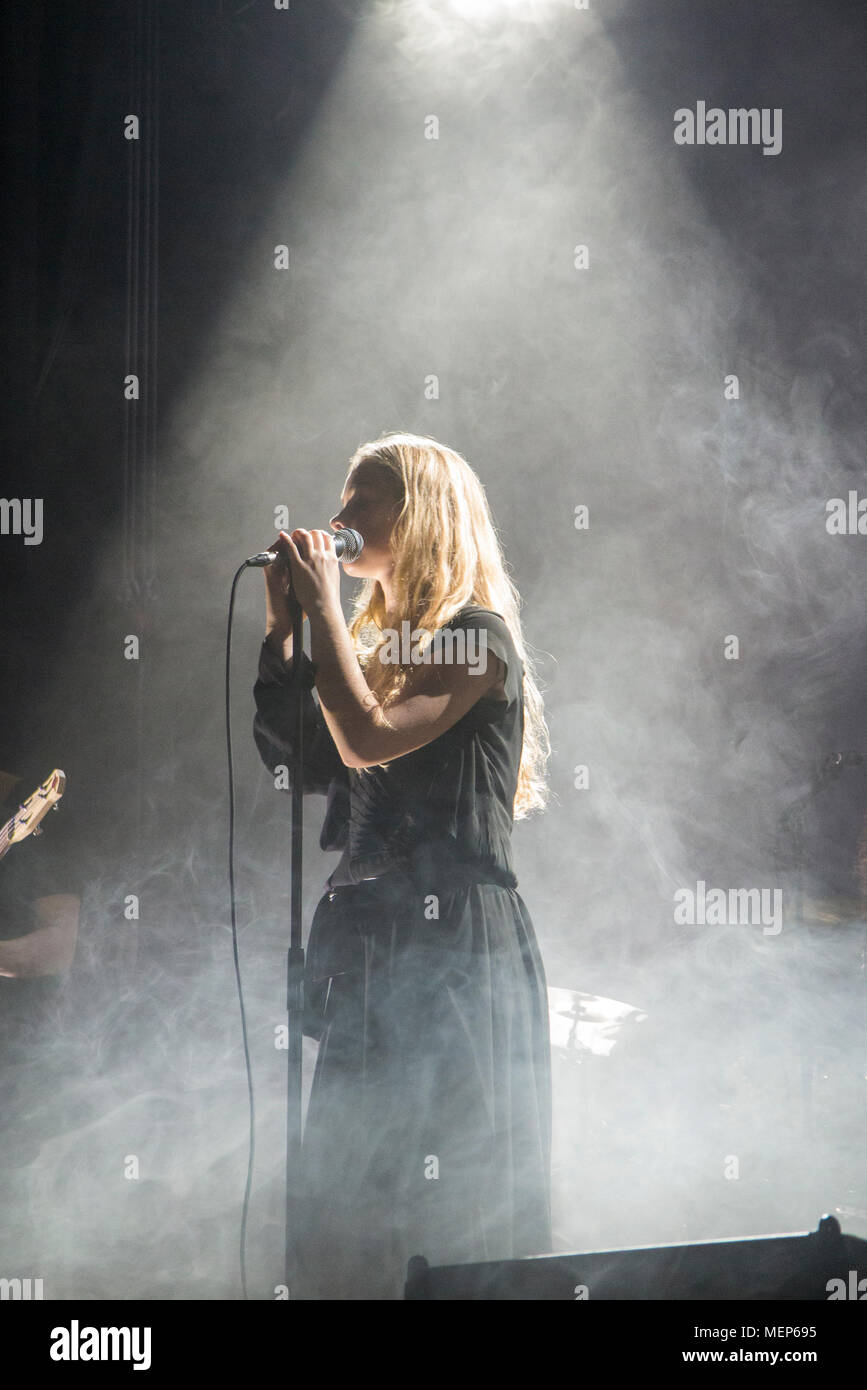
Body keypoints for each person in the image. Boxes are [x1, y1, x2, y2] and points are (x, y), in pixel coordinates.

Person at [253, 432, 552, 1299]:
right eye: (341, 502)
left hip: (453, 941)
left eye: (361, 502)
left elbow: (368, 738)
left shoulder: (476, 640)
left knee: (448, 1207)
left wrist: (324, 617)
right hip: (372, 947)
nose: (338, 520)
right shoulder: (376, 649)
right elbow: (303, 764)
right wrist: (283, 631)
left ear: (418, 515)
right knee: (345, 1202)